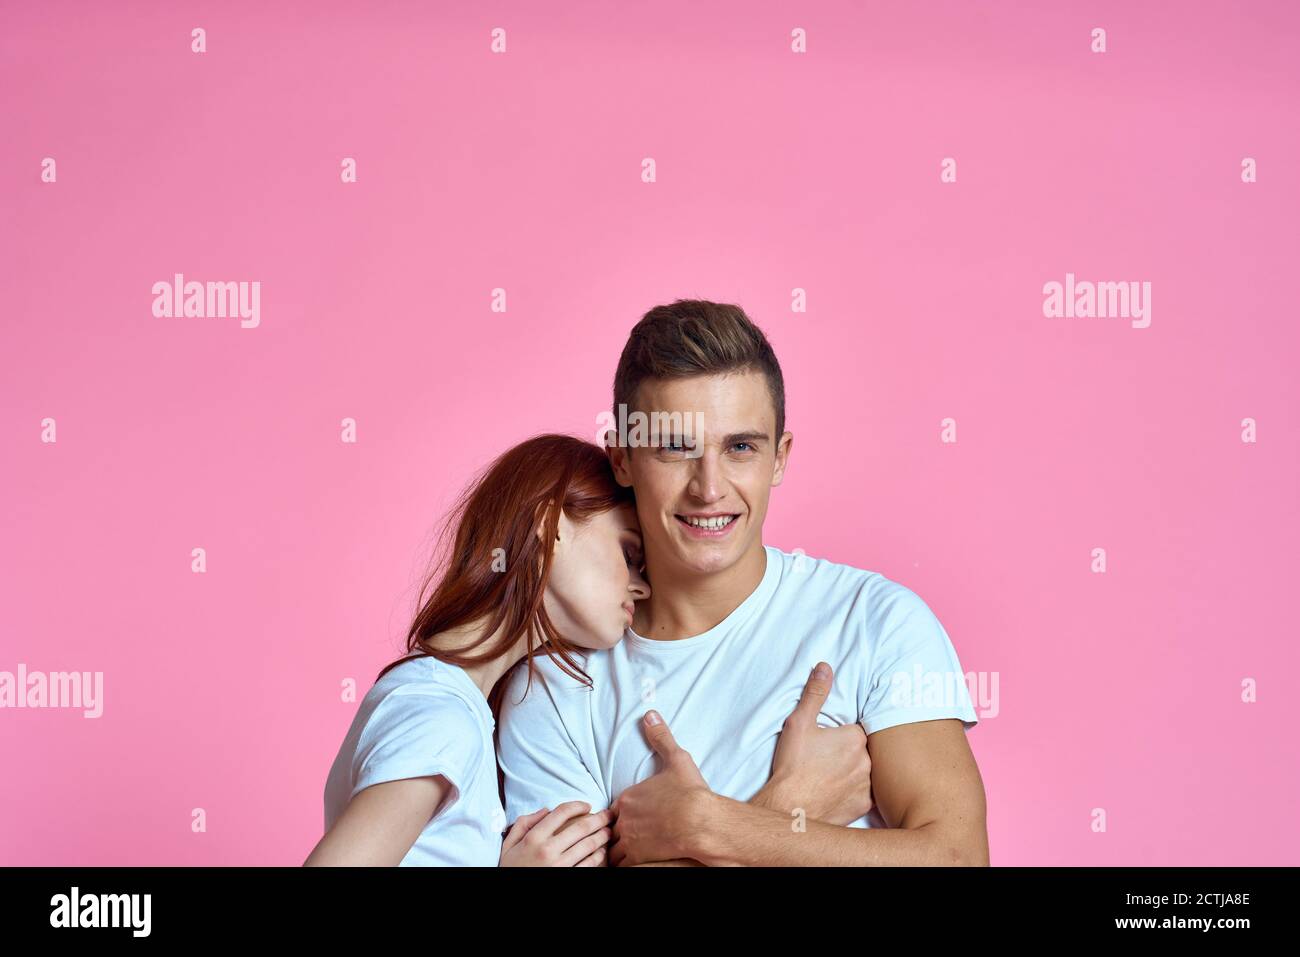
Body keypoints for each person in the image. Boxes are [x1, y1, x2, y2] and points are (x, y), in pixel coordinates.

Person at [497, 299, 989, 866]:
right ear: (623, 459)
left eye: (741, 448)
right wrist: (777, 811)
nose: (709, 489)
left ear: (779, 458)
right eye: (675, 448)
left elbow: (957, 859)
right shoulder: (555, 687)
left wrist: (709, 826)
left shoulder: (875, 620)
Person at [305, 434, 647, 866]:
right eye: (629, 552)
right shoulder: (440, 713)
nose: (642, 585)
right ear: (550, 526)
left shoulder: (451, 702)